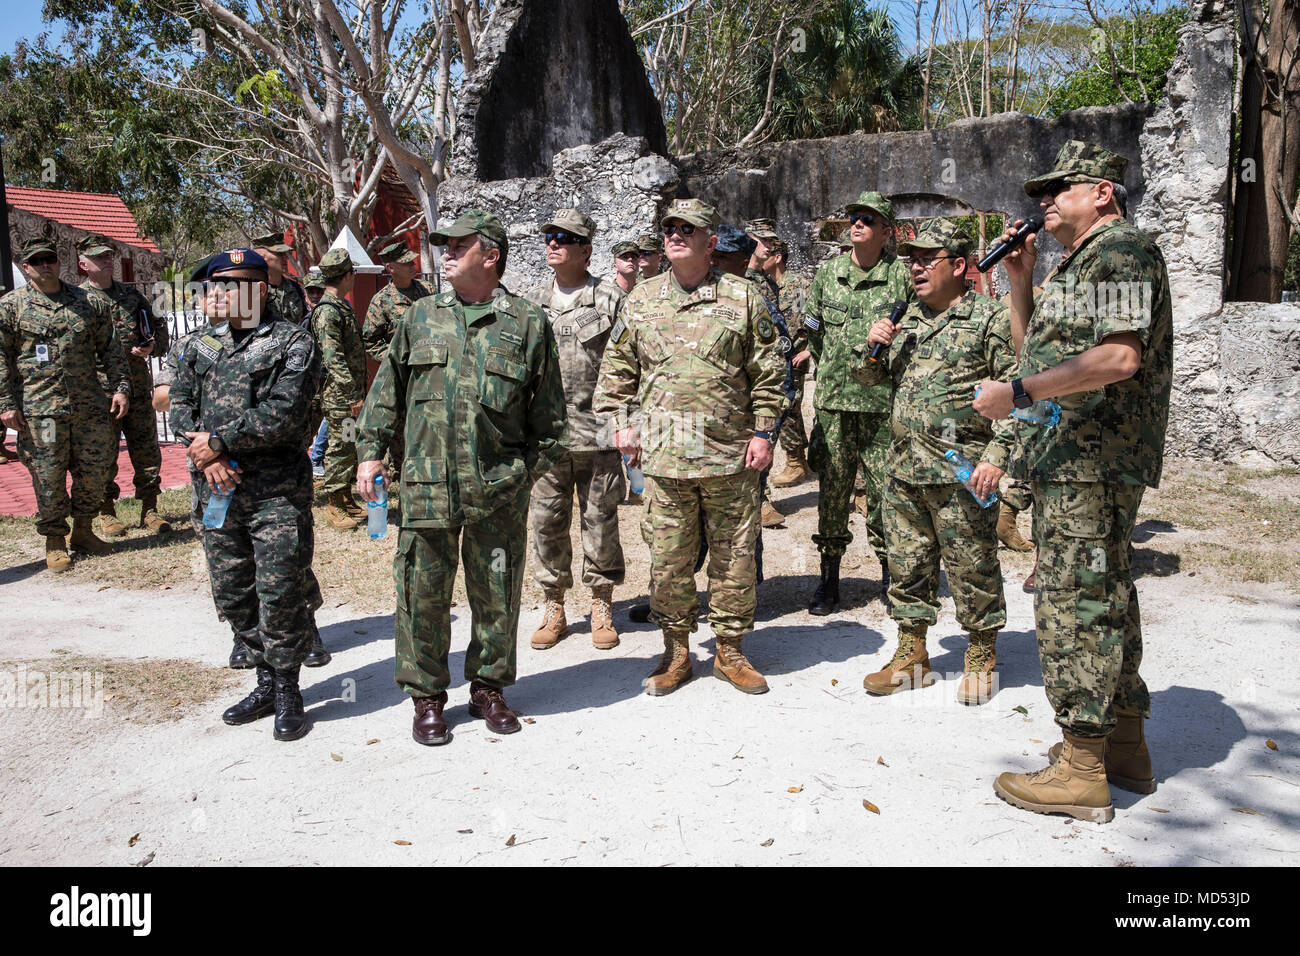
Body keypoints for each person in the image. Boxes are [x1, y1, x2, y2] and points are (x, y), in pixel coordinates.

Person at [974, 140, 1173, 822]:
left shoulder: (1120, 250)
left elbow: (1119, 357)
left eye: (1061, 187)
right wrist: (1022, 281)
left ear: (1104, 193)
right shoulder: (1078, 262)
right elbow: (1038, 352)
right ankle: (1123, 748)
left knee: (1074, 600)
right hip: (1073, 460)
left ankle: (1081, 767)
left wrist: (1018, 392)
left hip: (1093, 462)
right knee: (1106, 591)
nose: (1044, 201)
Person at [355, 210, 566, 746]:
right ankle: (426, 697)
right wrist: (369, 454)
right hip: (426, 486)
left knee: (496, 591)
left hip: (498, 489)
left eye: (457, 244)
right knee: (421, 591)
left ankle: (489, 689)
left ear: (490, 255)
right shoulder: (419, 317)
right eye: (441, 244)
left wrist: (521, 476)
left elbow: (550, 420)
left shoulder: (526, 323)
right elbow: (387, 393)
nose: (443, 251)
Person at [595, 199, 784, 697]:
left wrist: (764, 434)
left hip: (730, 455)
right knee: (670, 560)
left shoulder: (743, 297)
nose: (676, 234)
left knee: (734, 557)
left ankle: (731, 650)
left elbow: (769, 372)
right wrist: (620, 424)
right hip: (664, 457)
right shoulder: (639, 300)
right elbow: (617, 368)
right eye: (670, 227)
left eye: (688, 228)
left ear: (710, 241)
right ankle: (676, 651)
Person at [854, 219, 1015, 704]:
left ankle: (982, 655)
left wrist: (996, 458)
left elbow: (1019, 395)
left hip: (962, 473)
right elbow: (869, 383)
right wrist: (873, 349)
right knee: (908, 566)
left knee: (972, 567)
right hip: (903, 469)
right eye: (912, 260)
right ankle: (912, 655)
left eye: (928, 259)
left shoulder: (990, 320)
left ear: (960, 265)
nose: (917, 268)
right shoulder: (906, 321)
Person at [170, 249, 322, 740]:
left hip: (274, 494)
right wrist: (209, 455)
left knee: (279, 592)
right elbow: (179, 407)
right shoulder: (198, 345)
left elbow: (285, 414)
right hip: (216, 491)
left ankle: (287, 688)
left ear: (256, 290)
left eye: (226, 285)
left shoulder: (292, 342)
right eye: (212, 285)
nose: (213, 294)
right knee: (233, 592)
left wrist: (219, 442)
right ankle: (261, 679)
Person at [804, 191, 912, 615]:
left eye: (868, 218)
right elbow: (813, 328)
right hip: (834, 404)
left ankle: (891, 578)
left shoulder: (900, 278)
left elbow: (912, 332)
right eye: (854, 217)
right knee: (832, 494)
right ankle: (828, 581)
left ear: (886, 230)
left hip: (881, 407)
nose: (858, 224)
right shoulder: (828, 273)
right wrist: (832, 364)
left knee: (886, 494)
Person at [526, 209, 627, 652]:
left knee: (600, 522)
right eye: (549, 236)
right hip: (545, 436)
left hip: (599, 433)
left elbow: (631, 365)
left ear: (586, 250)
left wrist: (631, 423)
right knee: (546, 523)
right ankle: (554, 605)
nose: (553, 243)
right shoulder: (530, 302)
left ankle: (601, 603)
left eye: (565, 238)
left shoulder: (609, 299)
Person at [0, 236, 130, 571]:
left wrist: (120, 387)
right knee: (48, 475)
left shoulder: (88, 302)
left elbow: (112, 349)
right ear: (26, 267)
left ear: (60, 263)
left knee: (96, 469)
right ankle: (55, 540)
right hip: (40, 410)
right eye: (37, 261)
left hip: (89, 407)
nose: (46, 265)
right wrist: (5, 402)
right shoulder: (11, 306)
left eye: (50, 259)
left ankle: (84, 530)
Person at [77, 233, 171, 536]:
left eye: (108, 256)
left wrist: (151, 347)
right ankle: (106, 512)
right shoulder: (78, 301)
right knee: (103, 452)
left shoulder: (132, 297)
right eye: (98, 257)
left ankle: (150, 509)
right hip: (100, 390)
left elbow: (158, 331)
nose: (106, 262)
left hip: (137, 383)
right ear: (83, 263)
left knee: (146, 449)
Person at [363, 240, 435, 502]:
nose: (412, 265)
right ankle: (408, 488)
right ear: (391, 268)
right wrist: (394, 361)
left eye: (412, 260)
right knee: (403, 437)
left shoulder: (428, 291)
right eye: (406, 262)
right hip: (402, 380)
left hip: (431, 374)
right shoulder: (381, 301)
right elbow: (370, 340)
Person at [312, 249, 367, 531]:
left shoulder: (340, 306)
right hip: (340, 398)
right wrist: (353, 394)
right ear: (347, 275)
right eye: (353, 272)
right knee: (340, 447)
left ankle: (345, 497)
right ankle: (334, 504)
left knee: (348, 445)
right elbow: (334, 359)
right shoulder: (328, 312)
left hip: (347, 395)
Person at [763, 239, 814, 489]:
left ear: (778, 257)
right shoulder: (765, 285)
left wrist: (810, 351)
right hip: (772, 359)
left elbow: (812, 322)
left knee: (790, 407)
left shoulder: (796, 287)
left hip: (793, 357)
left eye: (767, 253)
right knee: (787, 408)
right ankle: (800, 460)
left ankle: (795, 461)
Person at [252, 230, 308, 329]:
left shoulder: (295, 288)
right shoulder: (251, 291)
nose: (285, 258)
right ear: (262, 258)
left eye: (285, 254)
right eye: (279, 254)